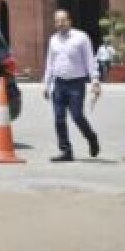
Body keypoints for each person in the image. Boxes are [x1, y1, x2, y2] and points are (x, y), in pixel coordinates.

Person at [43, 9, 101, 162]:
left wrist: (95, 80)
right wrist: (46, 84)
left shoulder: (81, 38)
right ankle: (66, 151)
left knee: (77, 116)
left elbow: (90, 60)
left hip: (76, 84)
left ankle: (91, 137)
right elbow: (50, 62)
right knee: (59, 119)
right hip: (59, 84)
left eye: (63, 20)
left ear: (69, 21)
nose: (60, 24)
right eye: (57, 21)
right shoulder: (53, 39)